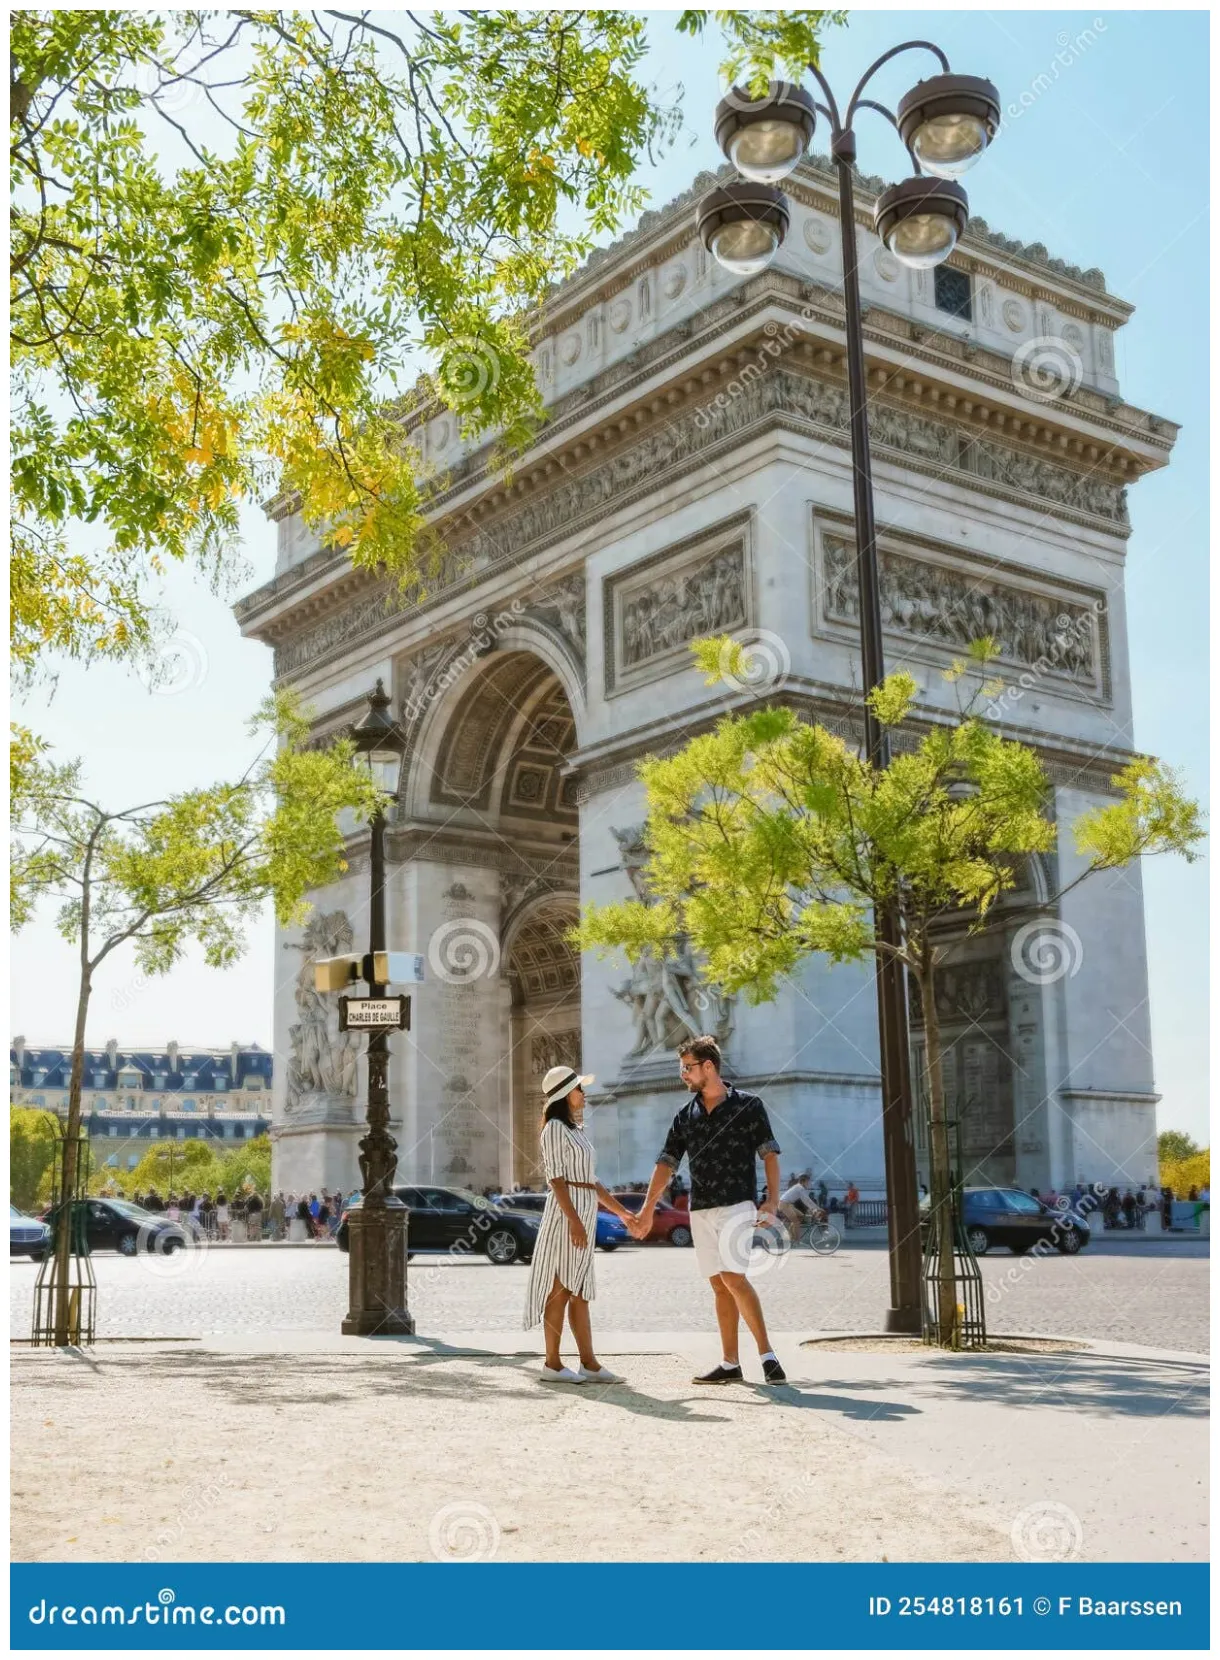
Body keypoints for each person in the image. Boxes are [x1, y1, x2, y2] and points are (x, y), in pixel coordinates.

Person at [629, 1034, 787, 1385]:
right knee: (718, 1285)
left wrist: (772, 1200)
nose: (682, 1075)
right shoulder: (685, 1115)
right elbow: (665, 1165)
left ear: (709, 1066)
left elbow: (770, 1154)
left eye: (687, 1068)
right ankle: (730, 1363)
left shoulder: (749, 1105)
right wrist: (647, 1209)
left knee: (733, 1277)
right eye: (681, 1069)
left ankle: (768, 1357)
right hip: (700, 1209)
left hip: (738, 1203)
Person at [523, 1064, 635, 1383]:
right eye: (579, 1089)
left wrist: (621, 1212)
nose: (584, 1094)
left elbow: (592, 1181)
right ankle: (553, 1363)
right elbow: (556, 1179)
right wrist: (573, 1221)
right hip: (567, 1212)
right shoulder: (555, 1129)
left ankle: (589, 1363)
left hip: (582, 1208)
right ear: (565, 1094)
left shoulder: (576, 1130)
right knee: (560, 1288)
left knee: (580, 1290)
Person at [778, 1173, 818, 1243]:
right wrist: (816, 1208)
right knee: (796, 1222)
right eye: (807, 1182)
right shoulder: (800, 1188)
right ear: (803, 1181)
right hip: (784, 1204)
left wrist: (814, 1208)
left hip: (788, 1205)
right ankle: (797, 1241)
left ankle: (791, 1235)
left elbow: (806, 1200)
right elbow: (806, 1200)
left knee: (801, 1216)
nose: (808, 1184)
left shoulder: (799, 1187)